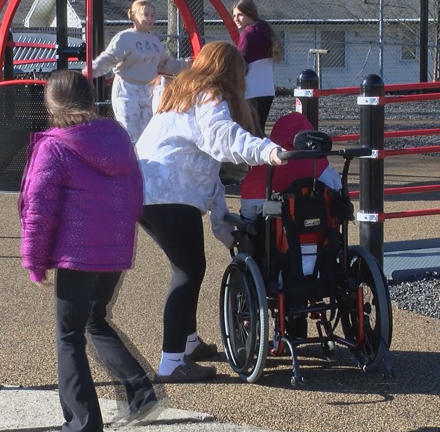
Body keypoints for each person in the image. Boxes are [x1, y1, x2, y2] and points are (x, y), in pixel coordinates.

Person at [134, 41, 285, 383]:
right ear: (229, 72)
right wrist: (267, 151)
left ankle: (188, 343)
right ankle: (171, 363)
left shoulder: (181, 95)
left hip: (148, 191)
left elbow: (207, 171)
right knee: (188, 271)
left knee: (188, 266)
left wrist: (223, 226)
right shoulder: (208, 94)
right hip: (170, 192)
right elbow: (222, 139)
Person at [19, 70, 157, 432]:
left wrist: (35, 261)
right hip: (112, 252)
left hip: (76, 255)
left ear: (51, 105)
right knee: (95, 321)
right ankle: (141, 392)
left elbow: (38, 208)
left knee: (69, 337)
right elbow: (135, 193)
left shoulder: (54, 146)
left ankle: (83, 423)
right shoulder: (118, 137)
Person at [91, 0, 189, 142]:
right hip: (127, 90)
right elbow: (109, 59)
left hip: (148, 90)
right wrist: (91, 71)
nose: (150, 18)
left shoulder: (154, 40)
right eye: (146, 15)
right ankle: (129, 162)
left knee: (147, 133)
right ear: (133, 16)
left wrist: (185, 65)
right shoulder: (124, 38)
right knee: (129, 133)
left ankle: (144, 163)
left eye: (152, 15)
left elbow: (165, 64)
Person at [240, 112, 342, 222]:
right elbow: (339, 194)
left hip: (274, 236)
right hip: (321, 235)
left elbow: (248, 215)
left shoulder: (258, 172)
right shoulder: (320, 164)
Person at [232, 0, 282, 134]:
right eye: (234, 15)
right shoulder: (264, 28)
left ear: (250, 13)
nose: (236, 19)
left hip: (252, 91)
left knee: (250, 132)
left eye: (240, 15)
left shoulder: (248, 34)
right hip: (267, 90)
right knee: (259, 130)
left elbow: (239, 64)